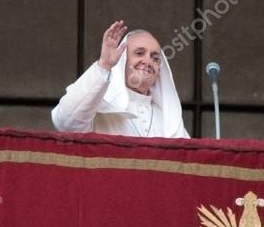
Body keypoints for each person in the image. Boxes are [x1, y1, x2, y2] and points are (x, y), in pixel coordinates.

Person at [51, 20, 189, 138]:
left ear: (159, 71)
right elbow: (65, 123)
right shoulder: (98, 107)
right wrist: (104, 65)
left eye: (155, 58)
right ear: (123, 61)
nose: (148, 61)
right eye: (139, 53)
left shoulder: (169, 122)